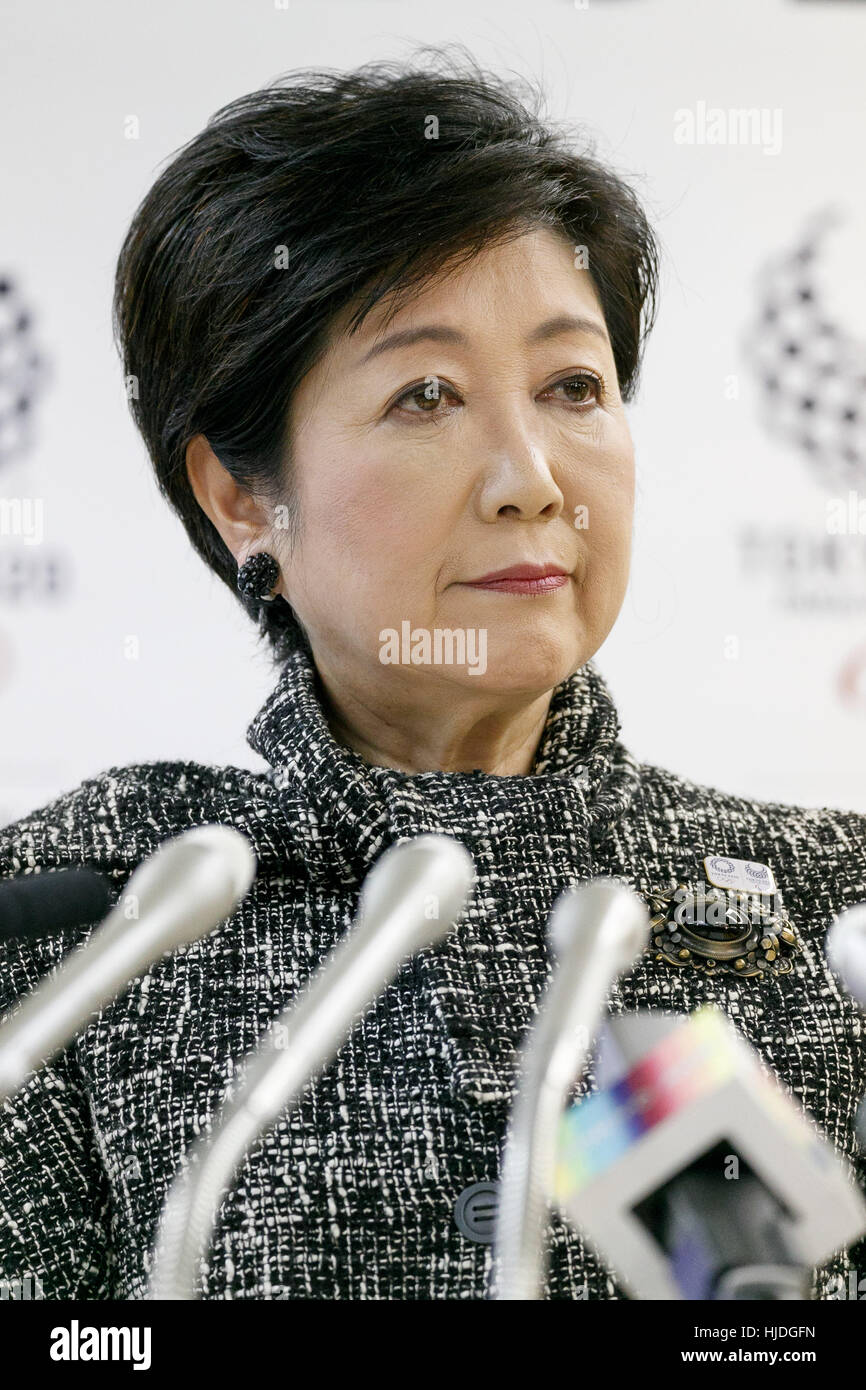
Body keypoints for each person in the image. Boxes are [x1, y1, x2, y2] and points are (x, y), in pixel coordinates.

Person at [1, 46, 864, 1301]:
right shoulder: (86, 922)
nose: (531, 477)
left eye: (574, 385)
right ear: (243, 495)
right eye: (426, 395)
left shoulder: (824, 909)